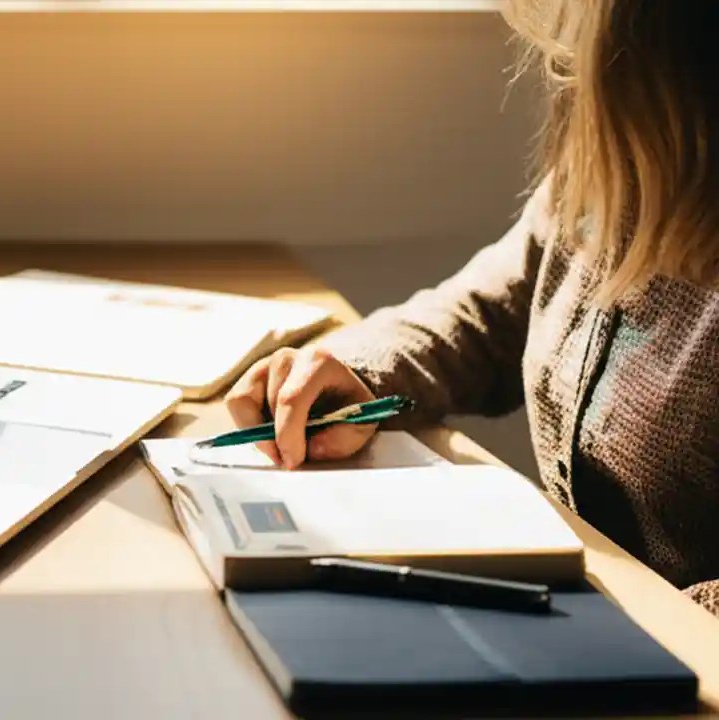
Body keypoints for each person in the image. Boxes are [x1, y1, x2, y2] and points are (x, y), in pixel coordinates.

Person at [226, 0, 718, 615]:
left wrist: (633, 615)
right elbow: (487, 312)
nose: (570, 79)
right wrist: (354, 373)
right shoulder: (614, 170)